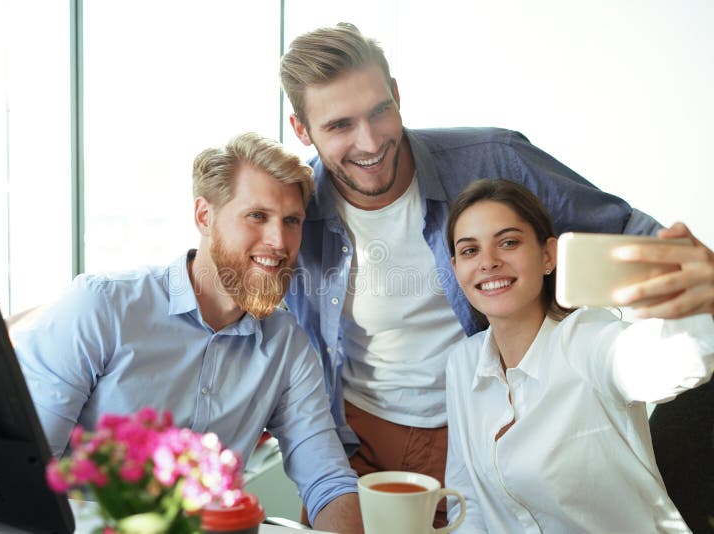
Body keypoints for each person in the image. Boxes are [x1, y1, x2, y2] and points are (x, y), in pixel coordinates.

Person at [279, 21, 676, 526]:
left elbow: (631, 234)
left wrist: (681, 295)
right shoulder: (295, 210)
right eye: (339, 126)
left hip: (475, 422)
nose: (370, 141)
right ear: (302, 129)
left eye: (380, 111)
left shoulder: (493, 159)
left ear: (397, 94)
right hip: (358, 436)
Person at [11, 133, 363, 532]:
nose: (278, 241)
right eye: (257, 216)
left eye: (291, 221)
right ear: (203, 216)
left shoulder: (287, 348)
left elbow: (327, 479)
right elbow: (28, 471)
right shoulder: (101, 308)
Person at [443, 178, 714, 532]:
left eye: (508, 242)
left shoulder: (588, 339)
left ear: (547, 256)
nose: (488, 262)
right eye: (469, 250)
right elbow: (467, 502)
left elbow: (668, 363)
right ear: (455, 270)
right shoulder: (462, 365)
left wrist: (704, 301)